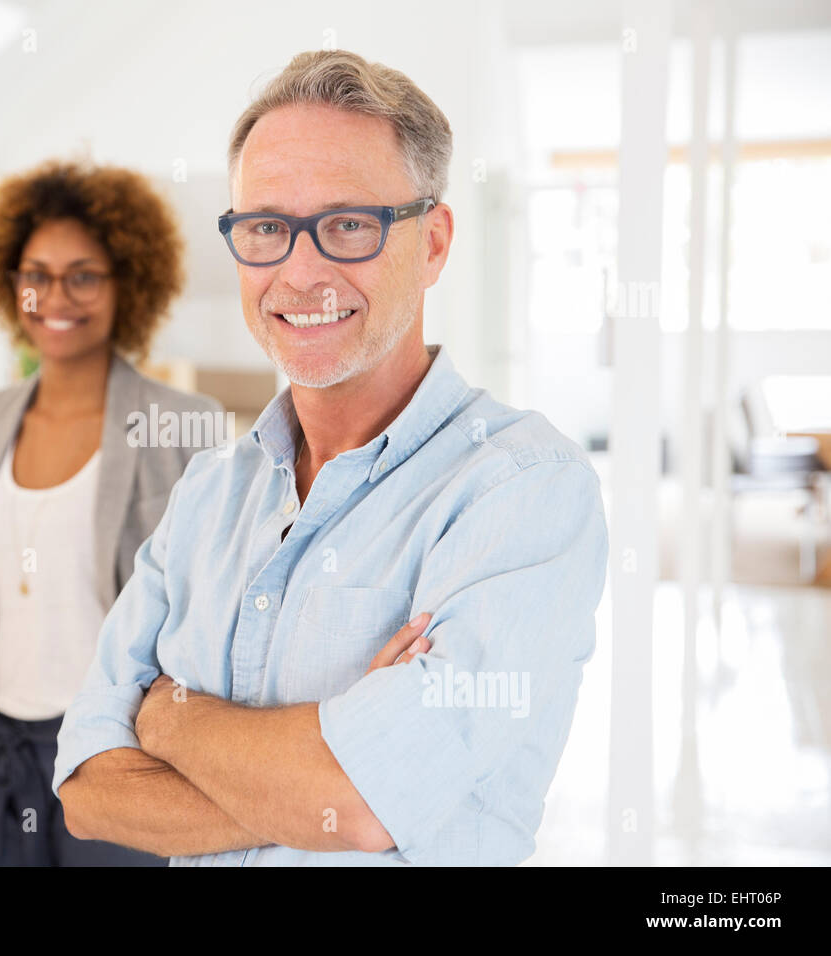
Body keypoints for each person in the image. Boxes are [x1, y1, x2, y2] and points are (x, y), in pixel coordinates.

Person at [53, 50, 610, 866]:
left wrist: (170, 717)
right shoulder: (209, 492)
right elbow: (88, 792)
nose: (301, 270)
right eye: (266, 228)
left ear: (434, 242)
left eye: (349, 223)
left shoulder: (523, 491)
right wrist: (322, 767)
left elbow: (356, 803)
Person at [0, 160, 224, 867]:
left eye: (84, 274)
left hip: (117, 750)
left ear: (127, 285)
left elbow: (209, 620)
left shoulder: (183, 423)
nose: (57, 296)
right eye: (37, 274)